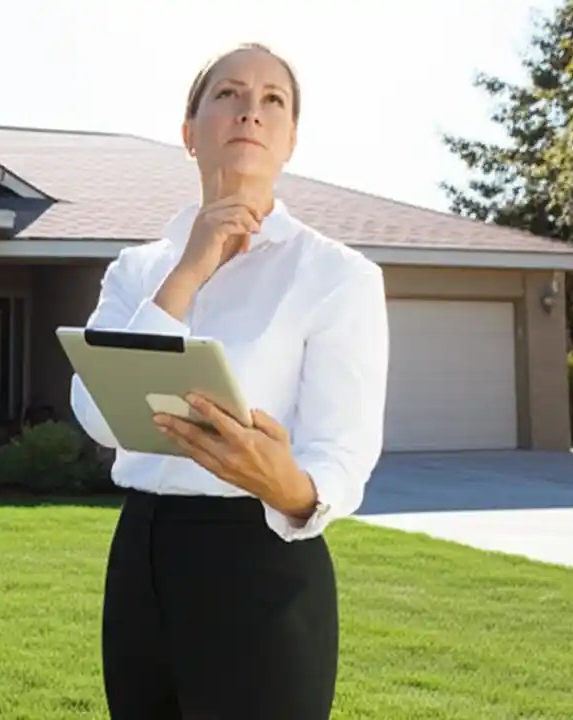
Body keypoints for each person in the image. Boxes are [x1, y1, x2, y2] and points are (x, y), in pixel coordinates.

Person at [70, 42, 389, 719]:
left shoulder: (337, 277)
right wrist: (185, 273)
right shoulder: (136, 270)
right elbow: (100, 417)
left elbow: (343, 453)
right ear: (189, 134)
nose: (251, 111)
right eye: (229, 94)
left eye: (273, 100)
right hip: (144, 560)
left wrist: (288, 485)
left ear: (291, 139)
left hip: (263, 562)